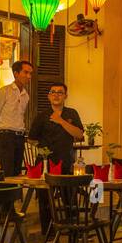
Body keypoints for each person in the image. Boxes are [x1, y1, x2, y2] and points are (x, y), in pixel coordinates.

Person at [27, 81, 85, 233]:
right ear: (48, 96)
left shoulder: (71, 113)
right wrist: (42, 149)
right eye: (53, 92)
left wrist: (60, 121)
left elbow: (79, 135)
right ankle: (48, 232)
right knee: (45, 200)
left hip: (65, 161)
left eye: (60, 92)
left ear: (65, 96)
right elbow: (32, 138)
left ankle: (74, 231)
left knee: (69, 199)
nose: (56, 95)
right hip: (45, 164)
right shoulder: (41, 116)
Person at [0, 60, 34, 178]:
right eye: (26, 72)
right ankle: (6, 196)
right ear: (16, 73)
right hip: (6, 135)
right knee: (8, 173)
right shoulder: (4, 91)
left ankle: (16, 196)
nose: (29, 76)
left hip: (20, 136)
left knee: (17, 171)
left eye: (30, 73)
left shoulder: (26, 95)